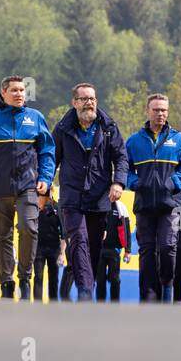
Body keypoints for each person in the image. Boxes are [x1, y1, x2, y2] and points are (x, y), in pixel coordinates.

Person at [0, 75, 55, 300]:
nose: (19, 94)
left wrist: (45, 177)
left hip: (28, 187)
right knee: (1, 237)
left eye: (22, 90)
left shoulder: (36, 118)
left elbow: (47, 151)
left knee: (29, 228)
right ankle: (6, 283)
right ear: (3, 93)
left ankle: (24, 278)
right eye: (14, 90)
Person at [52, 82, 128, 302]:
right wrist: (46, 183)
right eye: (84, 99)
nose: (89, 103)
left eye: (93, 99)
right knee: (79, 239)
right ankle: (85, 291)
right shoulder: (63, 128)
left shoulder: (109, 127)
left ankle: (88, 284)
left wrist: (118, 183)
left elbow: (121, 157)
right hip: (72, 198)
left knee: (94, 246)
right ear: (74, 102)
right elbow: (51, 158)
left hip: (99, 199)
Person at [125, 93, 181, 302]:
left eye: (164, 110)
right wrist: (135, 183)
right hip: (144, 206)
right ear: (148, 111)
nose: (160, 114)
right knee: (147, 252)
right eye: (156, 110)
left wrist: (173, 183)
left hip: (171, 206)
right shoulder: (134, 141)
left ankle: (167, 286)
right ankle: (148, 298)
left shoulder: (178, 139)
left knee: (168, 248)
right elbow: (124, 168)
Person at [97, 199, 132, 302]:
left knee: (115, 280)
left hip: (114, 250)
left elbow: (127, 229)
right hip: (100, 250)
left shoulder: (121, 207)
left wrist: (128, 250)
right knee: (100, 280)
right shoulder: (99, 203)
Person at [33, 194, 63, 301]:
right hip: (38, 247)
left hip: (54, 248)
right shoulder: (35, 205)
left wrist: (61, 254)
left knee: (53, 278)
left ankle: (53, 306)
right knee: (38, 277)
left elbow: (63, 232)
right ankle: (37, 306)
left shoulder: (57, 206)